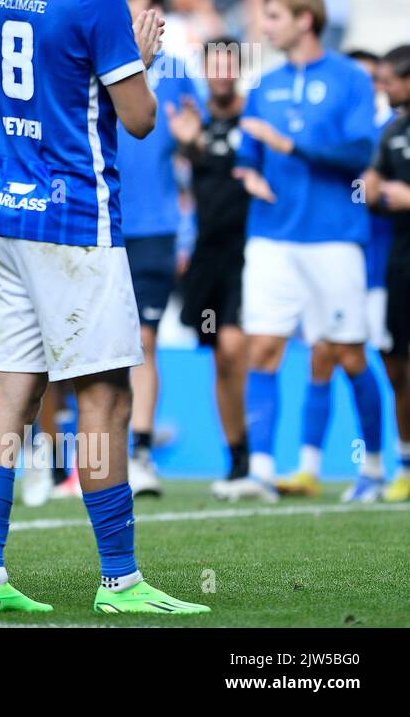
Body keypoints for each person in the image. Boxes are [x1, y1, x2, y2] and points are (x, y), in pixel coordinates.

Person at [0, 0, 207, 615]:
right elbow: (138, 122)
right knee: (104, 399)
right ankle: (120, 581)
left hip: (6, 216)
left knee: (10, 396)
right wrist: (134, 60)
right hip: (74, 219)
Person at [234, 0, 383, 503]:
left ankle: (376, 469)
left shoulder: (350, 78)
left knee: (348, 353)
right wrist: (249, 173)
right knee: (264, 346)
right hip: (272, 234)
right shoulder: (265, 84)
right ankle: (260, 470)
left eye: (273, 16)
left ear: (305, 19)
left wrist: (289, 145)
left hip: (333, 237)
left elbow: (360, 150)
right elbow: (248, 154)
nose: (266, 27)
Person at [276, 49, 389, 498]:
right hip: (319, 250)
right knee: (321, 353)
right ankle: (309, 467)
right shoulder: (338, 130)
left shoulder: (379, 133)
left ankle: (377, 468)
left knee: (353, 356)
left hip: (364, 258)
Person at [114, 0, 202, 498]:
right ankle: (82, 460)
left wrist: (193, 142)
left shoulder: (178, 73)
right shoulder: (88, 69)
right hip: (94, 222)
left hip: (154, 228)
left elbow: (196, 151)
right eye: (129, 9)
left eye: (148, 10)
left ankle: (141, 452)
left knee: (144, 340)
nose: (137, 20)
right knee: (95, 344)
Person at [171, 37, 264, 500]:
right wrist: (189, 146)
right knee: (220, 360)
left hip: (250, 250)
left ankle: (255, 458)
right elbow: (185, 185)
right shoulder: (194, 121)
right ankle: (238, 458)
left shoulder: (258, 118)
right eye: (215, 65)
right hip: (207, 254)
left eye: (230, 65)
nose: (222, 73)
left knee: (234, 348)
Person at [363, 46, 410, 502]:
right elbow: (372, 185)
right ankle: (405, 462)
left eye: (389, 80)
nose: (383, 88)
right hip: (398, 259)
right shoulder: (392, 130)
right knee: (397, 362)